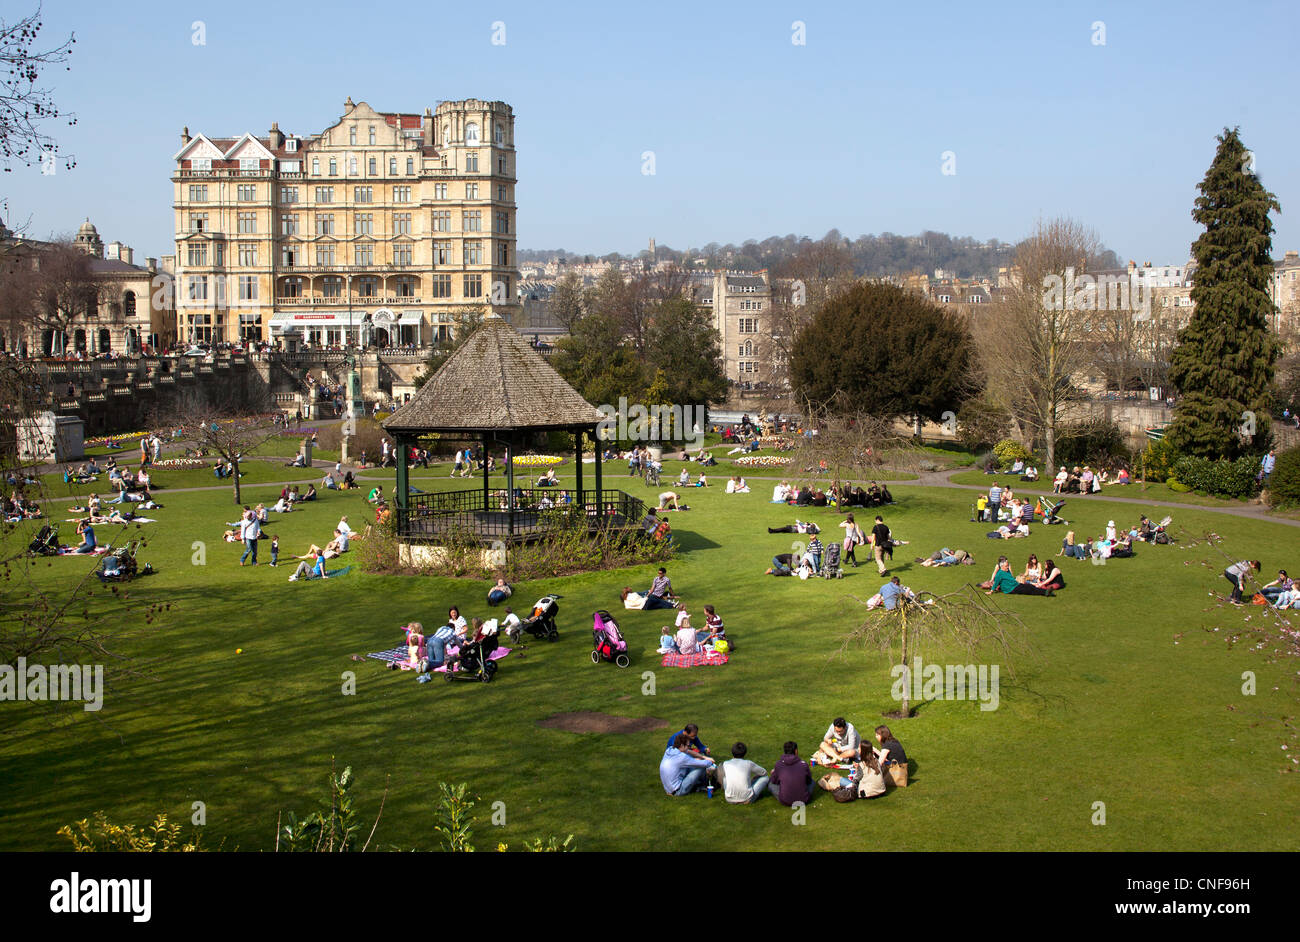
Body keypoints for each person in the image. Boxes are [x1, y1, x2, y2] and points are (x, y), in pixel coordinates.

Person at [769, 741, 814, 807]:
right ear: (796, 751)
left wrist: (775, 773)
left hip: (785, 800)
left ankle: (787, 794)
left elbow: (774, 781)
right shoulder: (803, 764)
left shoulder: (778, 764)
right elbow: (809, 781)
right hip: (804, 799)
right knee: (812, 782)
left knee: (770, 784)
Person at [986, 557, 1053, 596]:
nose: (1008, 567)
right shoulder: (999, 574)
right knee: (1028, 590)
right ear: (1002, 566)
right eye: (1006, 566)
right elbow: (996, 583)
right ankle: (1045, 592)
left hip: (1016, 585)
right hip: (1011, 589)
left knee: (1030, 586)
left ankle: (1046, 591)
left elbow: (1011, 577)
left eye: (1008, 565)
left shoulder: (1007, 571)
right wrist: (991, 591)